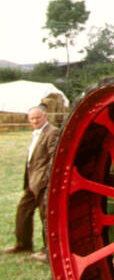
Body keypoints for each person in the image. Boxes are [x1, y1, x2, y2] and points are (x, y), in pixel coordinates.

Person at [4, 105, 60, 262]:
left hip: (42, 183)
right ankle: (23, 245)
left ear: (45, 116)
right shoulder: (36, 134)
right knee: (23, 211)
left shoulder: (52, 132)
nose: (34, 121)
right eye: (31, 119)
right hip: (31, 182)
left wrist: (46, 181)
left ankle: (48, 250)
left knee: (46, 216)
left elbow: (53, 158)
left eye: (37, 117)